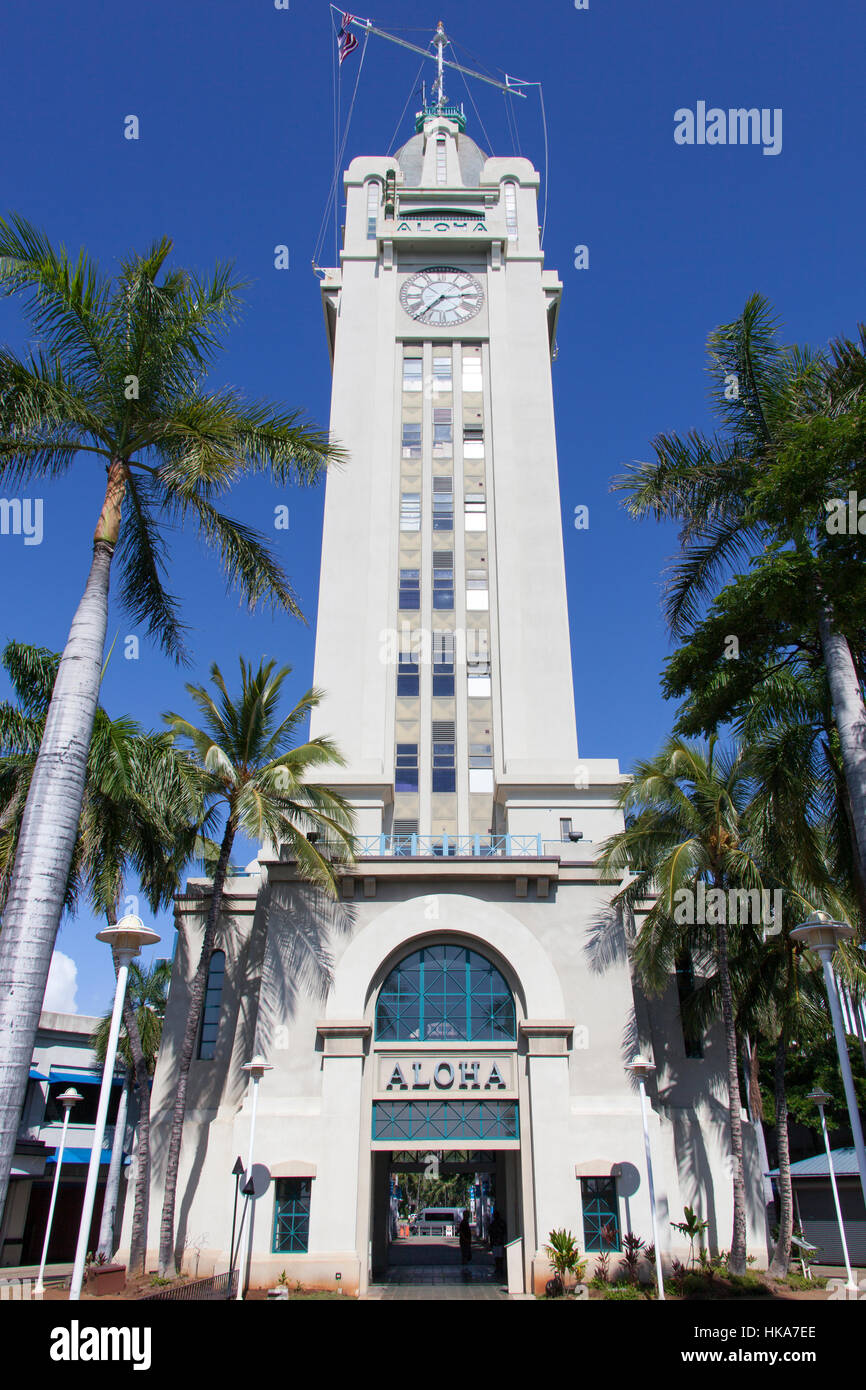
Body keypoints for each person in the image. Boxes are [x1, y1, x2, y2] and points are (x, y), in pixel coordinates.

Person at [489, 1209, 506, 1279]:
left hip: (498, 1242)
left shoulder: (498, 1223)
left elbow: (504, 1231)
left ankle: (500, 1268)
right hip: (497, 1242)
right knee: (497, 1256)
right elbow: (490, 1232)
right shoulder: (493, 1223)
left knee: (499, 1256)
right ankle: (498, 1268)